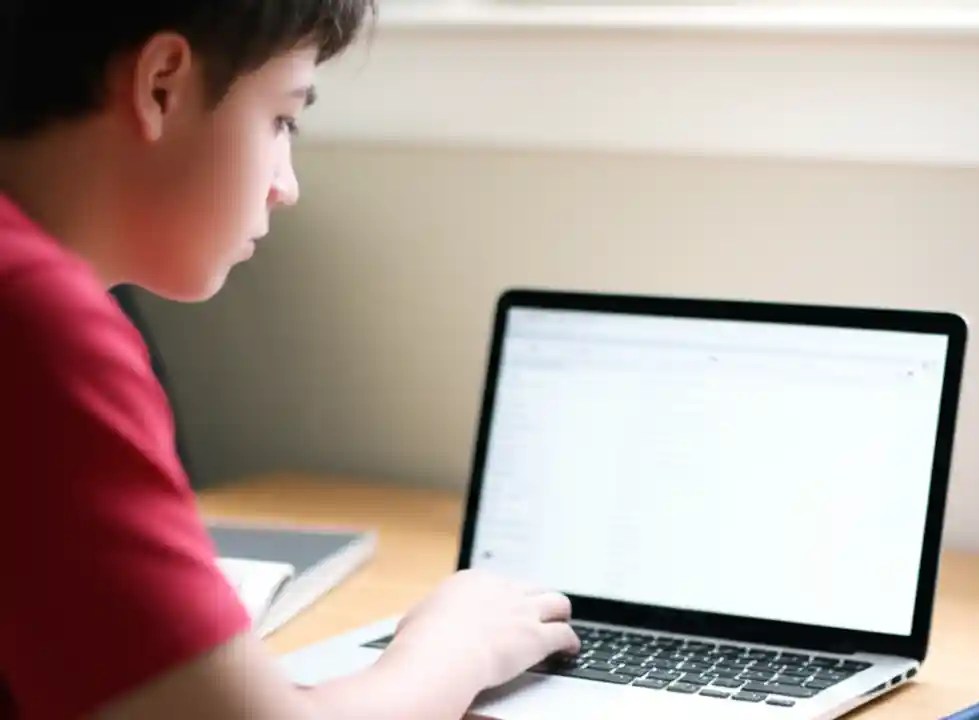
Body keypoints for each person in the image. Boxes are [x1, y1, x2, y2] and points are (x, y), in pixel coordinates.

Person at [0, 2, 580, 718]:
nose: (286, 185)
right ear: (160, 86)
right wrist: (458, 647)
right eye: (282, 120)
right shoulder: (34, 323)